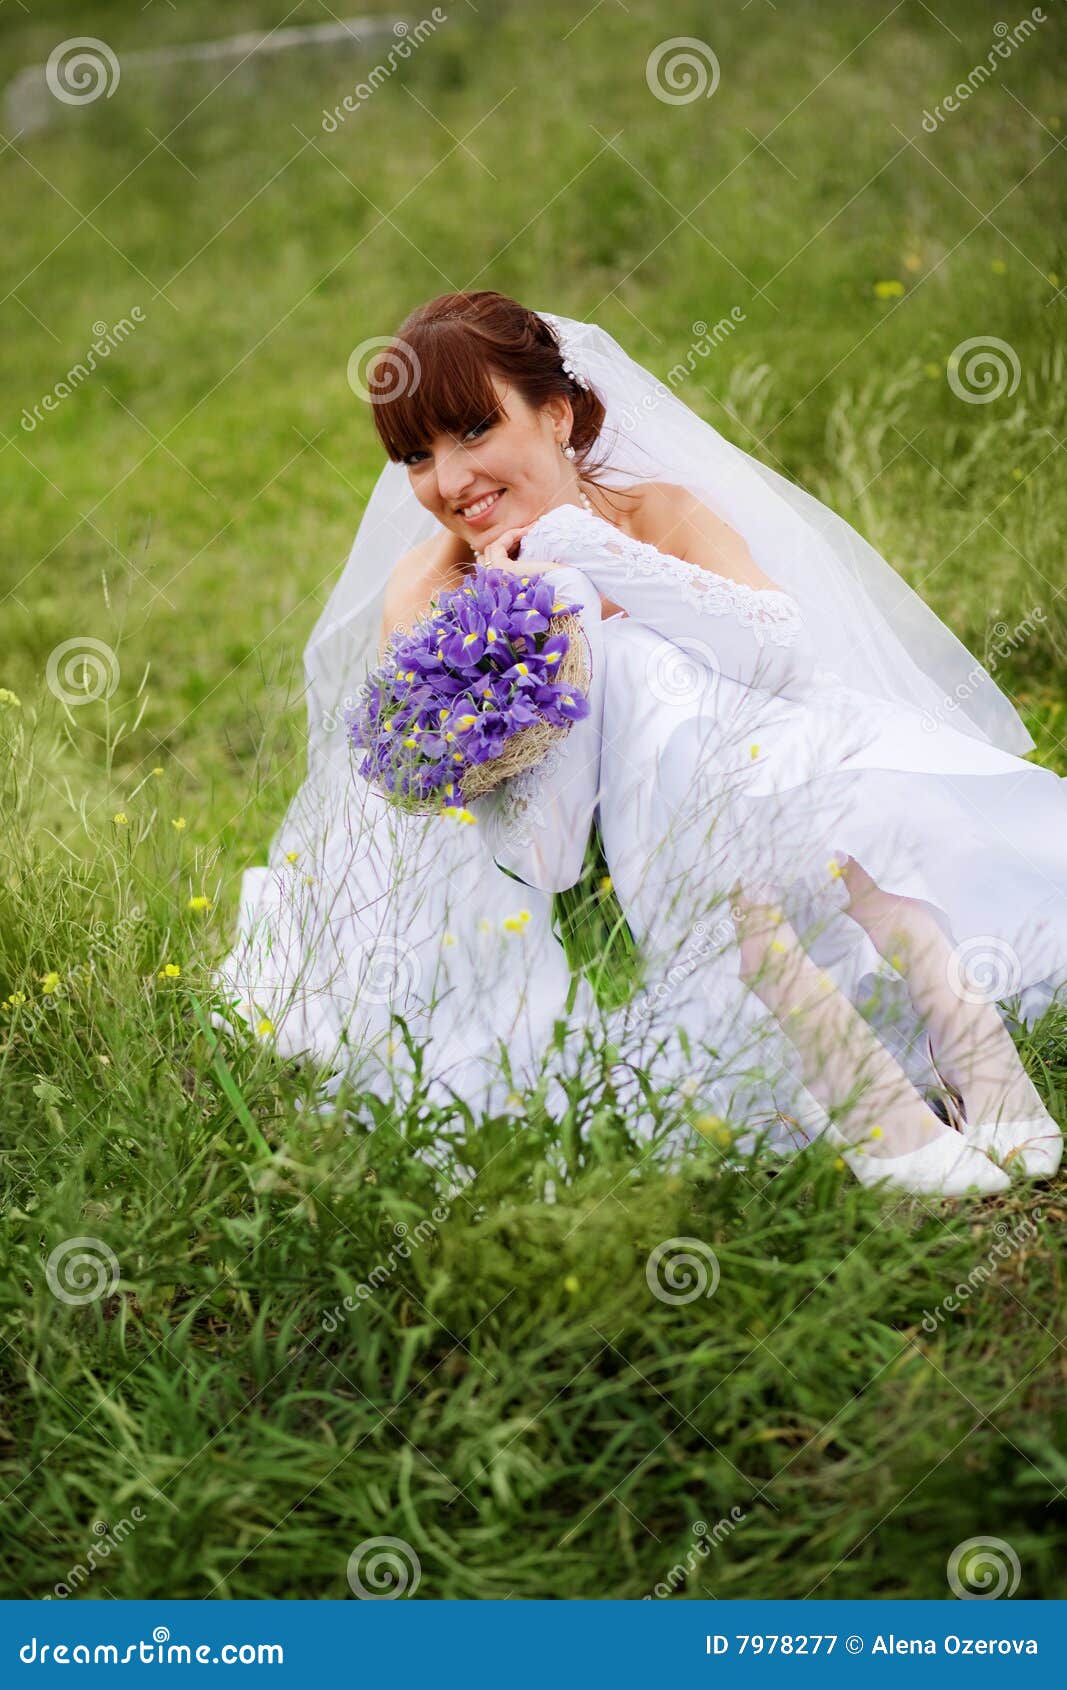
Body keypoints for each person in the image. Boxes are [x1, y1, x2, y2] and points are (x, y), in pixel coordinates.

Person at [217, 291, 1066, 1196]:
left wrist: (585, 545)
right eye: (416, 455)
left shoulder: (654, 510)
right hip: (574, 877)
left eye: (471, 429)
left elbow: (783, 657)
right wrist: (554, 610)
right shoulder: (432, 593)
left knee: (685, 673)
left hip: (791, 815)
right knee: (622, 669)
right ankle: (799, 978)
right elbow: (531, 849)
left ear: (556, 411)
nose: (447, 478)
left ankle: (929, 974)